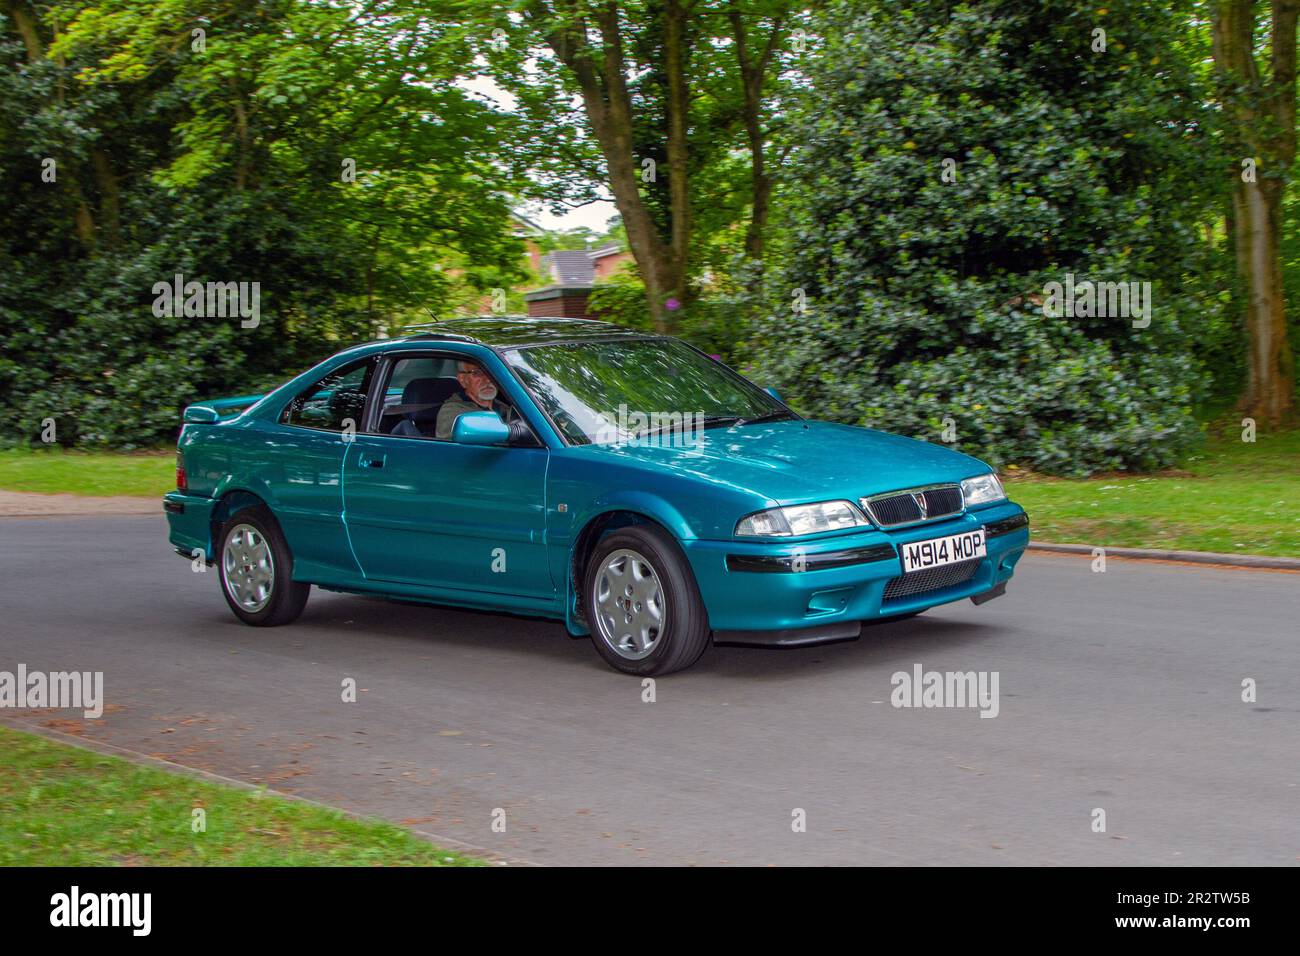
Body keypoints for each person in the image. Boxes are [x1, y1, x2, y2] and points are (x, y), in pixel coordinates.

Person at [436, 360, 519, 440]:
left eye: (491, 373)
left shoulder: (506, 406)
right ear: (463, 380)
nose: (487, 379)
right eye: (477, 373)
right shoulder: (453, 412)